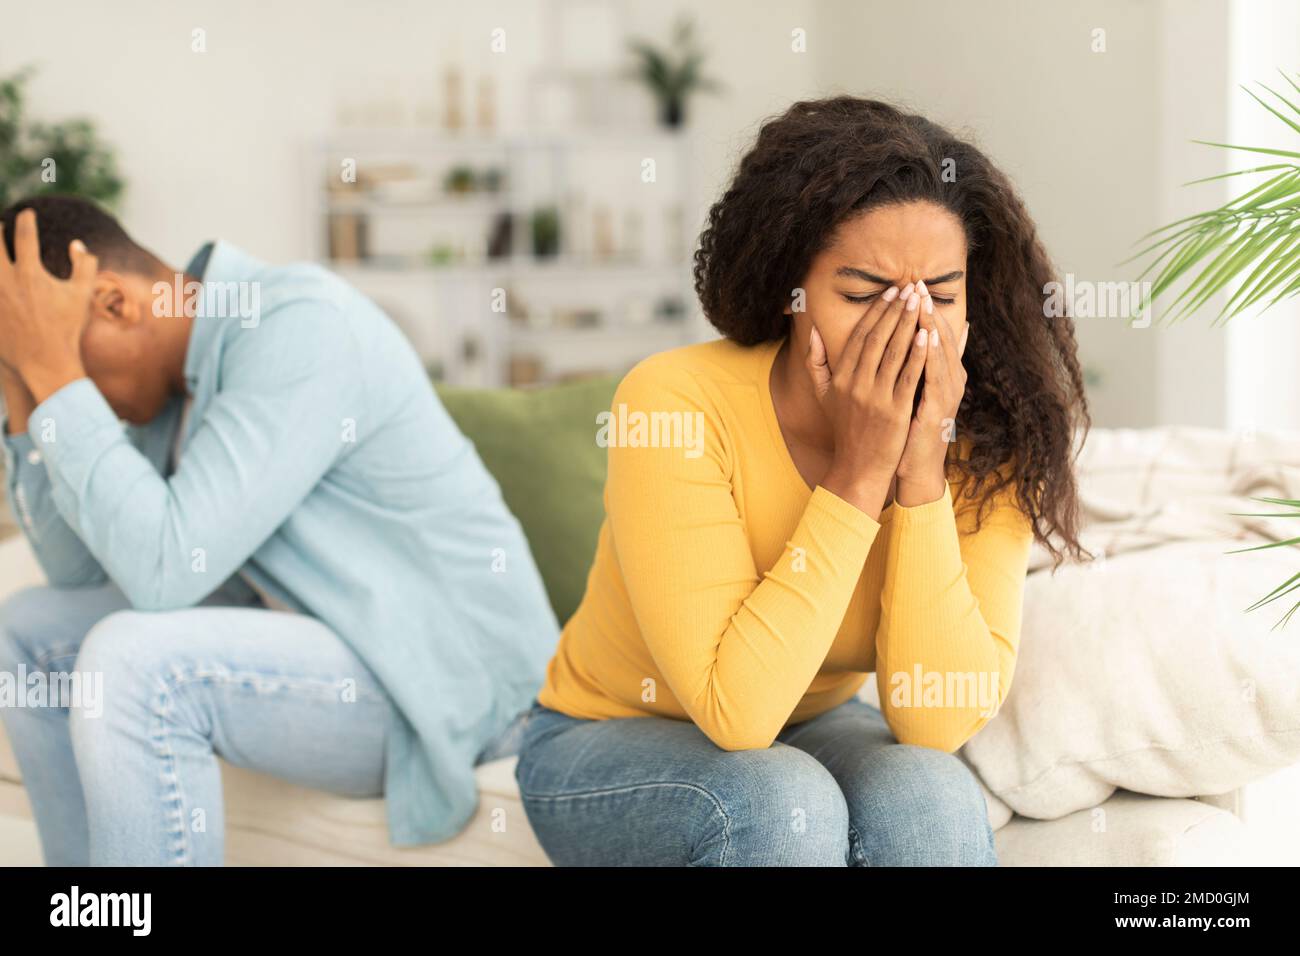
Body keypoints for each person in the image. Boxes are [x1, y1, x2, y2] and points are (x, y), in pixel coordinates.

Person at [514, 97, 1090, 866]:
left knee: (930, 791)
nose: (908, 329)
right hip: (607, 736)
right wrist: (860, 472)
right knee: (780, 801)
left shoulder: (990, 446)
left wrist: (920, 471)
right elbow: (738, 715)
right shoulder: (673, 403)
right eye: (862, 295)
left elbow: (935, 721)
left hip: (811, 720)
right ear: (792, 293)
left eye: (942, 296)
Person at [0, 196, 559, 866]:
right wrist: (24, 384)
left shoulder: (299, 323)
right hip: (334, 648)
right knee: (23, 632)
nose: (64, 387)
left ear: (116, 304)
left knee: (135, 661)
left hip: (447, 684)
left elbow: (162, 572)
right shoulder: (167, 386)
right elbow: (78, 574)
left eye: (48, 352)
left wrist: (55, 371)